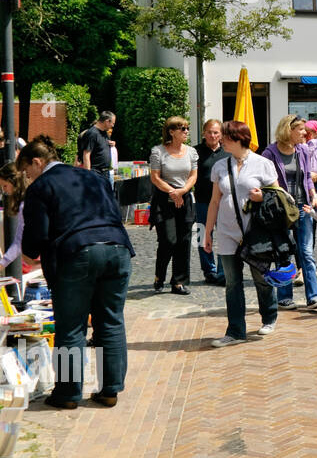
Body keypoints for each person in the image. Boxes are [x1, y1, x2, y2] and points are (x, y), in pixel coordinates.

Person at [19, 136, 134, 407]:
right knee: (111, 321)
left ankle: (68, 393)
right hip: (117, 248)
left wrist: (30, 251)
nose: (26, 178)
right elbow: (113, 212)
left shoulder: (42, 186)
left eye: (26, 171)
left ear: (37, 162)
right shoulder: (93, 177)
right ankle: (110, 389)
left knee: (71, 326)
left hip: (77, 254)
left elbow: (37, 235)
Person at [204, 120, 281, 347]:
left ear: (238, 139)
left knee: (261, 279)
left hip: (255, 232)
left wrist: (262, 197)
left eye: (225, 137)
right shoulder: (220, 166)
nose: (220, 140)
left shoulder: (263, 164)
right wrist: (207, 233)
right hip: (227, 232)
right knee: (232, 282)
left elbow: (278, 196)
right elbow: (215, 201)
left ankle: (269, 317)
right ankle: (235, 331)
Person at [262, 115, 317, 310]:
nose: (305, 133)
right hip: (281, 210)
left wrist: (313, 195)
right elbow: (264, 180)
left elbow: (306, 177)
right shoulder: (270, 153)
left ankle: (313, 297)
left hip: (303, 207)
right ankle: (284, 297)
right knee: (284, 252)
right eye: (301, 129)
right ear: (288, 130)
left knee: (306, 252)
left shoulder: (303, 150)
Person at [147, 116, 199, 295]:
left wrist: (182, 191)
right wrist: (172, 192)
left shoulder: (191, 152)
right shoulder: (158, 151)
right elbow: (155, 177)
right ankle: (159, 276)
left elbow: (193, 175)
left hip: (184, 197)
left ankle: (178, 281)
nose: (186, 131)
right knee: (168, 240)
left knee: (184, 241)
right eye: (182, 128)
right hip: (164, 200)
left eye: (186, 128)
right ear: (171, 131)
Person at [194, 119, 228, 285]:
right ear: (204, 133)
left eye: (216, 132)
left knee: (224, 236)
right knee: (202, 234)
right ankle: (208, 270)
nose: (213, 135)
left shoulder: (227, 152)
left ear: (221, 135)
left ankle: (222, 272)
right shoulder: (195, 152)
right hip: (202, 201)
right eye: (210, 132)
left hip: (223, 202)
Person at [0, 163, 31, 273]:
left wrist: (2, 263)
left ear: (14, 183)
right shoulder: (31, 197)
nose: (4, 191)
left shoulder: (25, 205)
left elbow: (19, 240)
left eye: (5, 186)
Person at [78, 110, 116, 179]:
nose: (112, 126)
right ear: (107, 121)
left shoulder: (105, 133)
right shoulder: (92, 133)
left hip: (106, 173)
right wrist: (88, 175)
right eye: (112, 123)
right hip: (95, 173)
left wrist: (112, 145)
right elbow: (86, 155)